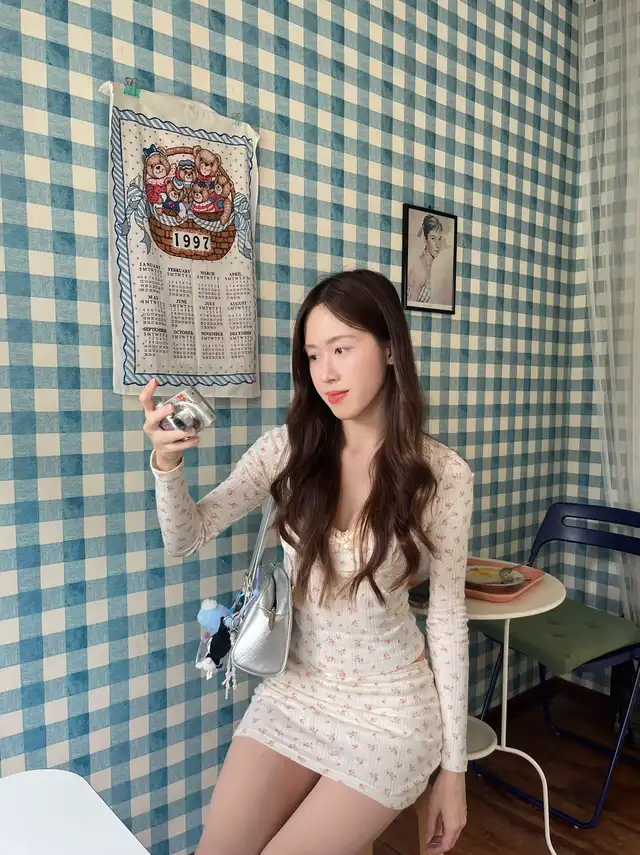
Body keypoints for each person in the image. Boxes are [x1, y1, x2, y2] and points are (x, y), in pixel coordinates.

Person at [140, 269, 474, 855]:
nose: (326, 373)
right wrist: (167, 467)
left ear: (390, 349)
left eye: (342, 349)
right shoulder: (288, 450)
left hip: (390, 713)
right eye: (314, 355)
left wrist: (454, 772)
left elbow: (446, 621)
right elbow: (186, 538)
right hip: (294, 694)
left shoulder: (442, 476)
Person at [407, 214, 444, 304]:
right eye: (433, 238)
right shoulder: (420, 269)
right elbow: (411, 304)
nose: (437, 244)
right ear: (425, 240)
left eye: (439, 239)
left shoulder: (430, 265)